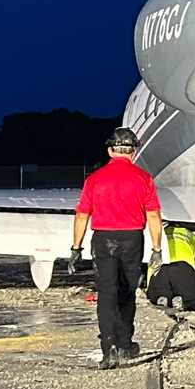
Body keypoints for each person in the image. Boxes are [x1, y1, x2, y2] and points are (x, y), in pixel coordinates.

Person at [68, 127, 162, 369]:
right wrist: (157, 249)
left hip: (103, 241)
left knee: (107, 294)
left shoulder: (94, 179)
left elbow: (81, 216)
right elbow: (153, 216)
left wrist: (75, 248)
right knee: (127, 292)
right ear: (134, 151)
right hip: (132, 240)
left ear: (111, 150)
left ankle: (108, 348)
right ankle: (125, 344)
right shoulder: (144, 179)